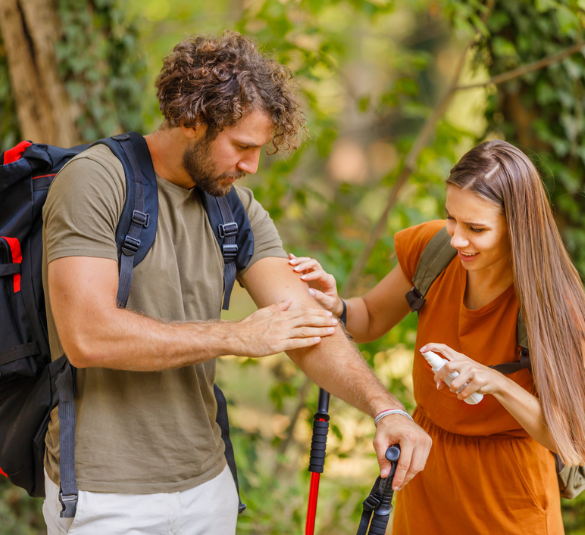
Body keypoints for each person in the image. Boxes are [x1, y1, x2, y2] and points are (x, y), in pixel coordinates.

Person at [39, 32, 431, 534]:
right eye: (242, 146)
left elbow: (306, 325)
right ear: (191, 119)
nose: (251, 166)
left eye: (260, 149)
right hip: (106, 494)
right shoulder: (97, 180)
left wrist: (385, 409)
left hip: (209, 487)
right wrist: (236, 336)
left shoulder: (235, 209)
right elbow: (87, 337)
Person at [289, 140, 585, 534]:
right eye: (452, 218)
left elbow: (575, 438)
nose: (457, 238)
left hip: (507, 497)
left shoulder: (555, 307)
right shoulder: (433, 250)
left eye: (477, 228)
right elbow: (367, 318)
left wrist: (497, 383)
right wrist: (338, 306)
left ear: (518, 227)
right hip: (425, 472)